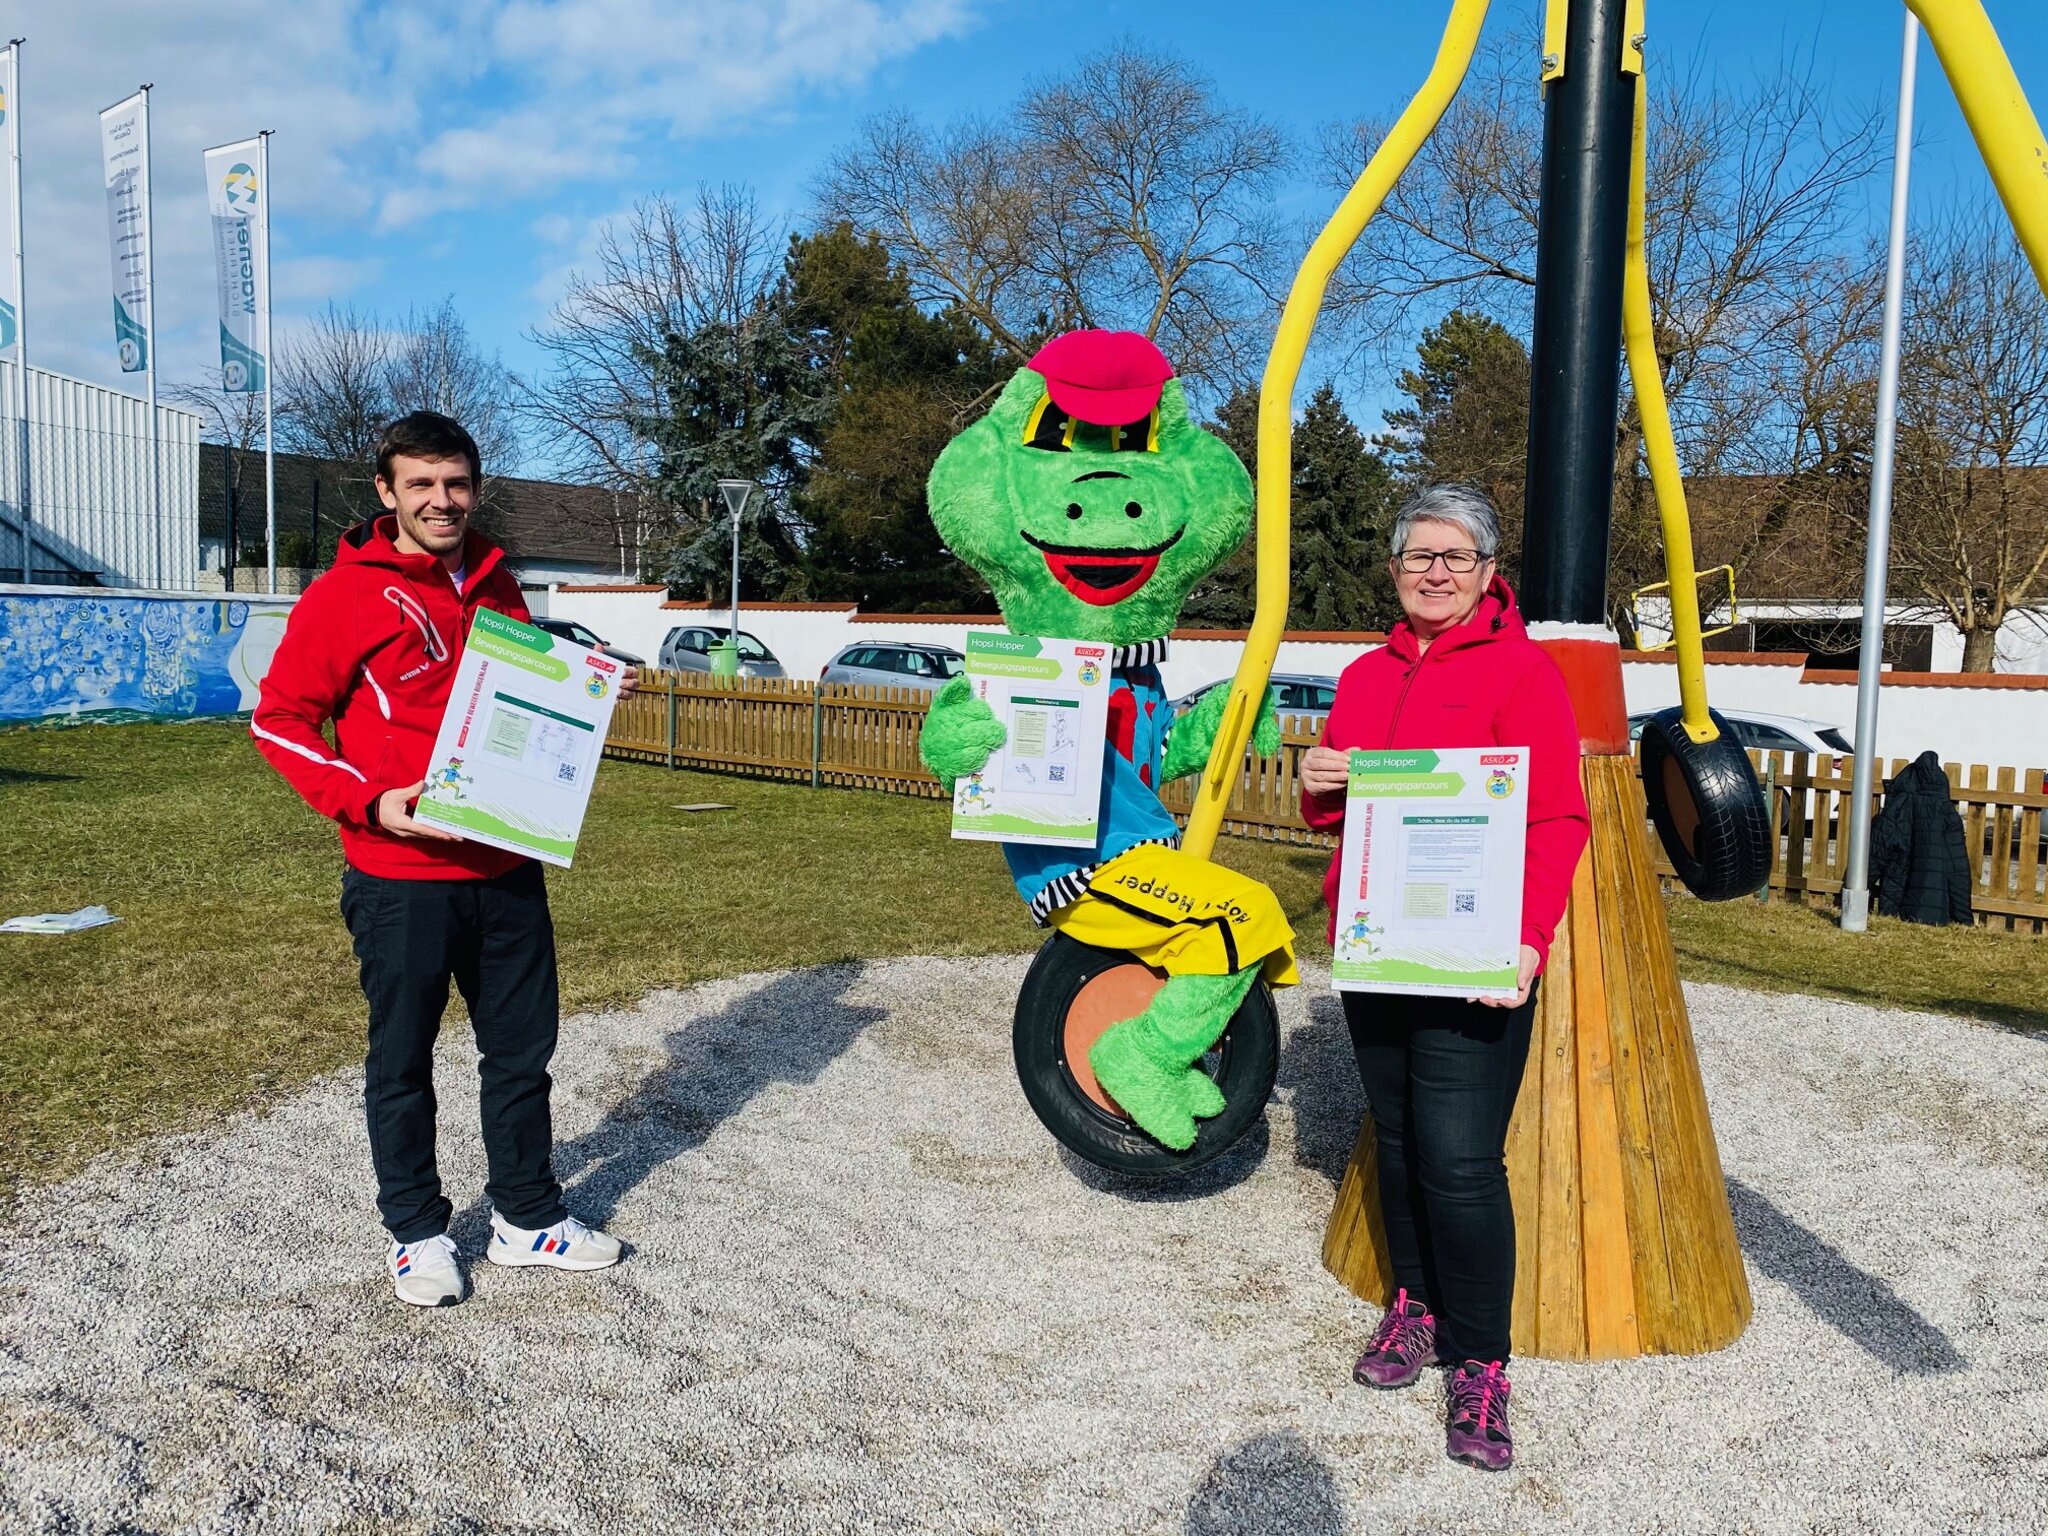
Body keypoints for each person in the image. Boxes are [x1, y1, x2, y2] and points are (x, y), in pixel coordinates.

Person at [251, 411, 634, 1308]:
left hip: (508, 872)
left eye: (455, 482)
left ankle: (526, 1218)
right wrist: (372, 803)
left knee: (520, 1056)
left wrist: (580, 704)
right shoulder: (345, 596)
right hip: (400, 881)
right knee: (403, 1061)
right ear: (386, 493)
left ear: (475, 486)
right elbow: (280, 722)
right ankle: (417, 1233)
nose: (441, 500)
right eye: (420, 484)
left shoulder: (500, 586)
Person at [1299, 484, 1589, 1471]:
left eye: (1452, 557)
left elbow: (1555, 820)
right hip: (1380, 947)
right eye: (1416, 556)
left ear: (1486, 572)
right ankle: (1413, 1305)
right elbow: (1342, 813)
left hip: (1472, 955)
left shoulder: (1524, 674)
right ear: (1392, 570)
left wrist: (1528, 941)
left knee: (1461, 1162)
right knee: (1394, 1140)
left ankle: (1480, 1361)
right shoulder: (1359, 676)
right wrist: (1316, 787)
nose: (1432, 572)